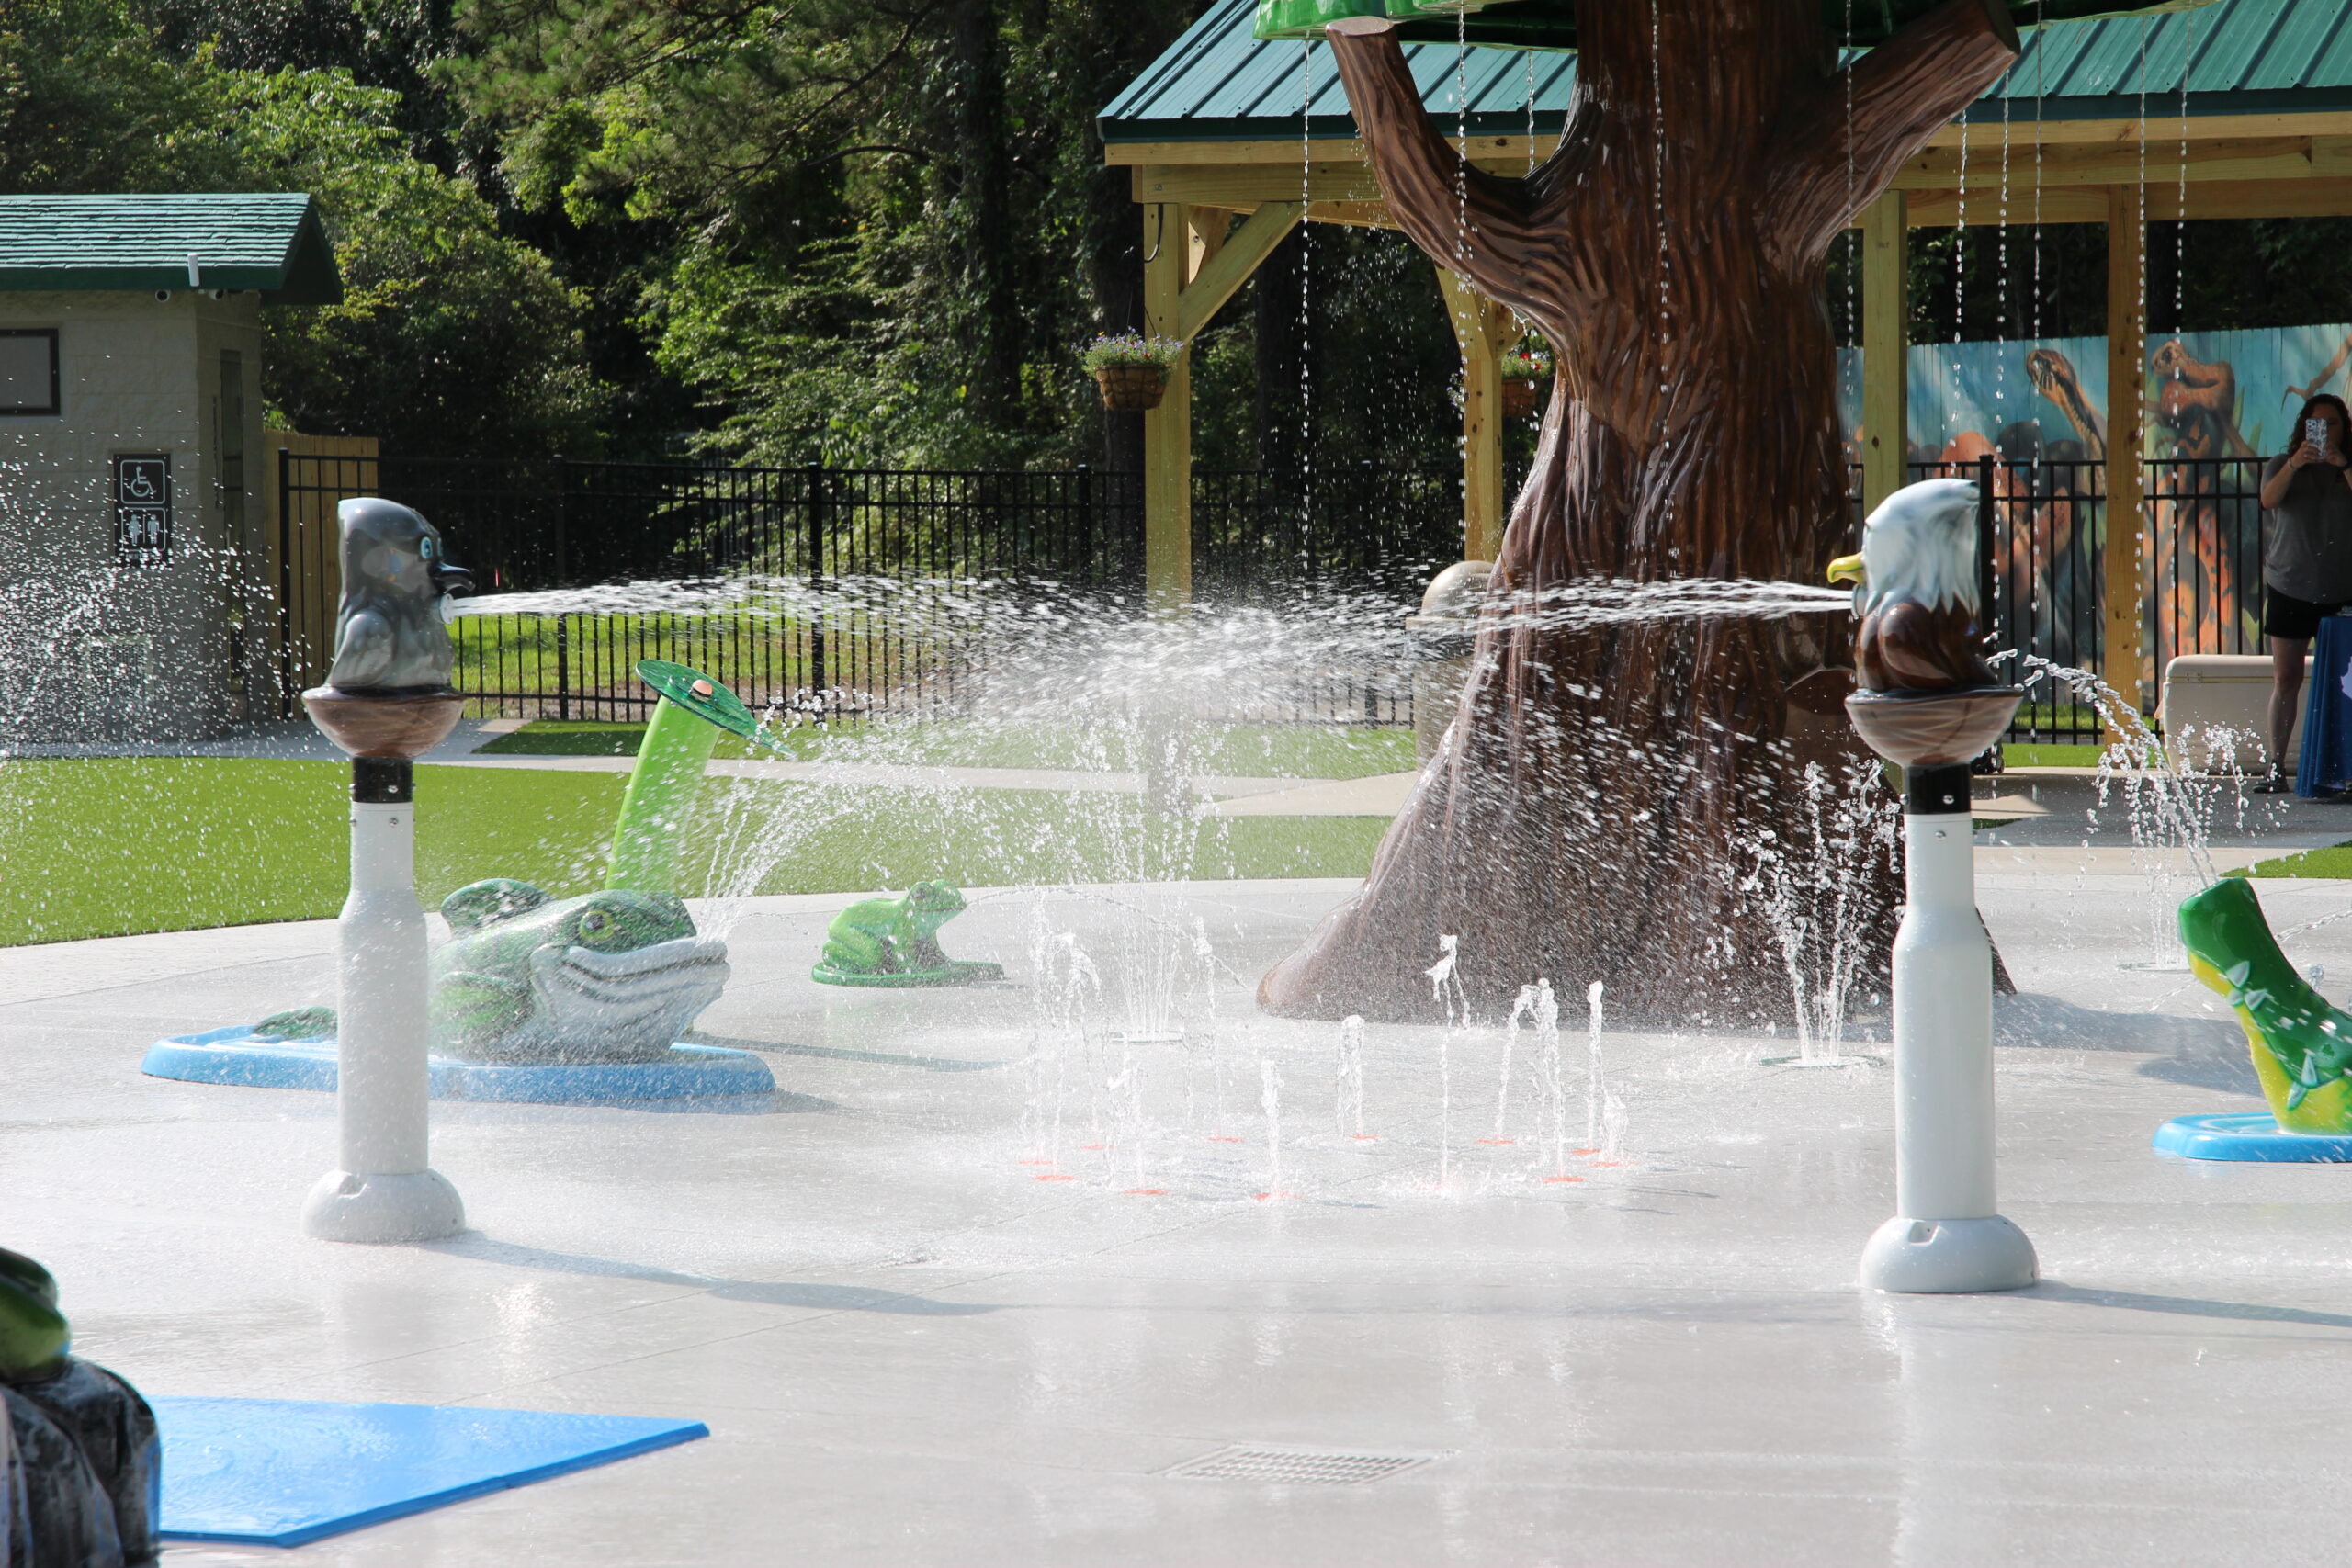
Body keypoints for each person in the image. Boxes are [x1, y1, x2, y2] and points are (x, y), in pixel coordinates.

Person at [2255, 393, 2352, 791]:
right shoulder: (2282, 464)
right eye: (2318, 424)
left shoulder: (2345, 467)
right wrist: (2297, 462)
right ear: (2304, 426)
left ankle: (2345, 770)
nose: (2325, 432)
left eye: (2332, 424)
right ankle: (2276, 766)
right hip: (2290, 584)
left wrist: (2341, 463)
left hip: (2342, 588)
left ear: (2344, 428)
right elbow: (2268, 499)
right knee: (2287, 676)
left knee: (2346, 681)